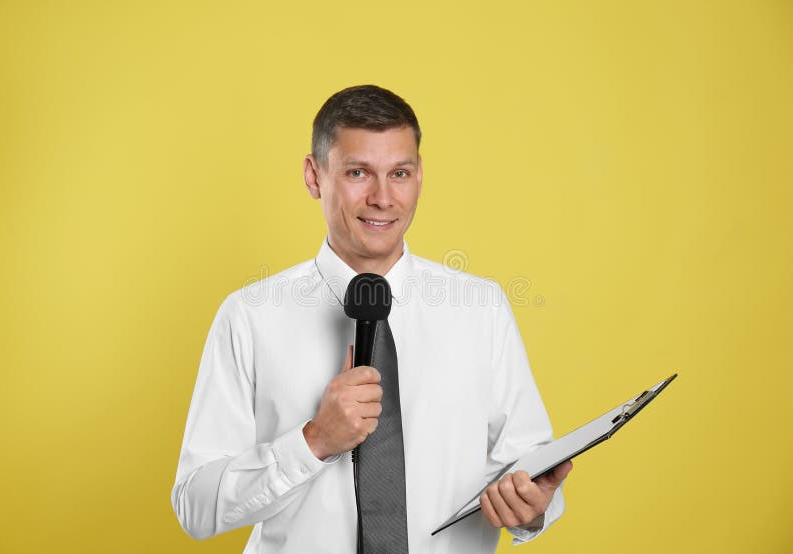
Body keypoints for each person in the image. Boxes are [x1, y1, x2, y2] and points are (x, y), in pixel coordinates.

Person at [171, 84, 572, 554]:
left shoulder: (481, 309)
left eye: (399, 173)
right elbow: (195, 506)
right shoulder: (249, 318)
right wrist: (314, 441)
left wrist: (534, 506)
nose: (383, 198)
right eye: (359, 172)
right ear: (314, 176)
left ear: (419, 176)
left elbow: (527, 468)